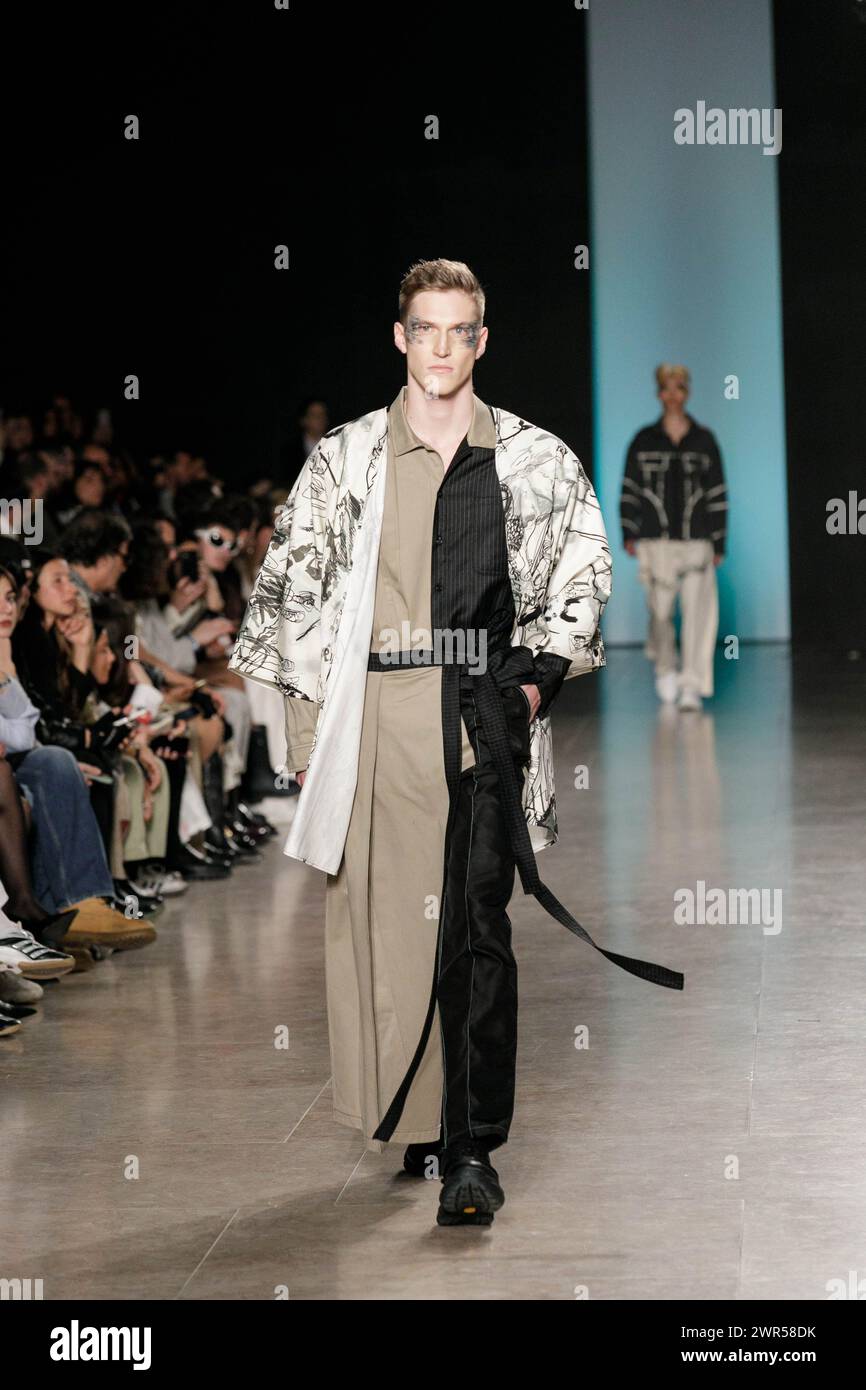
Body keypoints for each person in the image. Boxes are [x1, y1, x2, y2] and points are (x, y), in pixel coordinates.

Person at [230, 258, 683, 1227]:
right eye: (423, 329)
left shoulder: (530, 457)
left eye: (458, 331)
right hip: (377, 724)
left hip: (482, 720)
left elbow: (586, 570)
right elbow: (288, 596)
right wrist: (311, 740)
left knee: (478, 923)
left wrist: (530, 681)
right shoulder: (345, 460)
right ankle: (424, 1120)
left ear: (481, 340)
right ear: (399, 337)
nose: (440, 348)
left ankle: (472, 1147)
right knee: (397, 929)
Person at [620, 364, 728, 712]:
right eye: (667, 387)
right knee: (660, 613)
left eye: (679, 387)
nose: (673, 394)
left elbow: (717, 493)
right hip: (656, 542)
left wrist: (719, 541)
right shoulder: (642, 439)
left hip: (697, 540)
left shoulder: (705, 440)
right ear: (659, 392)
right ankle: (666, 668)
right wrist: (628, 531)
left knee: (699, 614)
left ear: (687, 391)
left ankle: (692, 685)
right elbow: (630, 489)